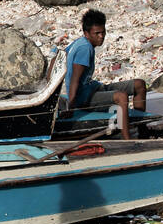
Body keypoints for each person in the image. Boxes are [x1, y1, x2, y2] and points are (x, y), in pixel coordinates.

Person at [62, 8, 147, 139]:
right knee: (121, 97)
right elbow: (75, 80)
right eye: (97, 33)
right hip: (83, 98)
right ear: (87, 33)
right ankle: (127, 140)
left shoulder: (78, 43)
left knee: (139, 84)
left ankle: (142, 130)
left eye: (103, 32)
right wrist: (71, 107)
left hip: (94, 88)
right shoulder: (85, 48)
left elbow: (59, 55)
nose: (101, 36)